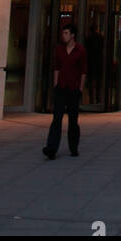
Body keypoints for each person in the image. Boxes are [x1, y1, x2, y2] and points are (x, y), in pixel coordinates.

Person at [43, 23, 87, 159]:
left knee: (73, 121)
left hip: (73, 89)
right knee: (57, 119)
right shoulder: (59, 49)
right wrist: (55, 84)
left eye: (66, 33)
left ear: (72, 35)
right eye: (63, 33)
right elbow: (56, 67)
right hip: (61, 88)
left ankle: (74, 147)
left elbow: (83, 71)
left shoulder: (80, 50)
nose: (64, 36)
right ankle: (51, 149)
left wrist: (80, 88)